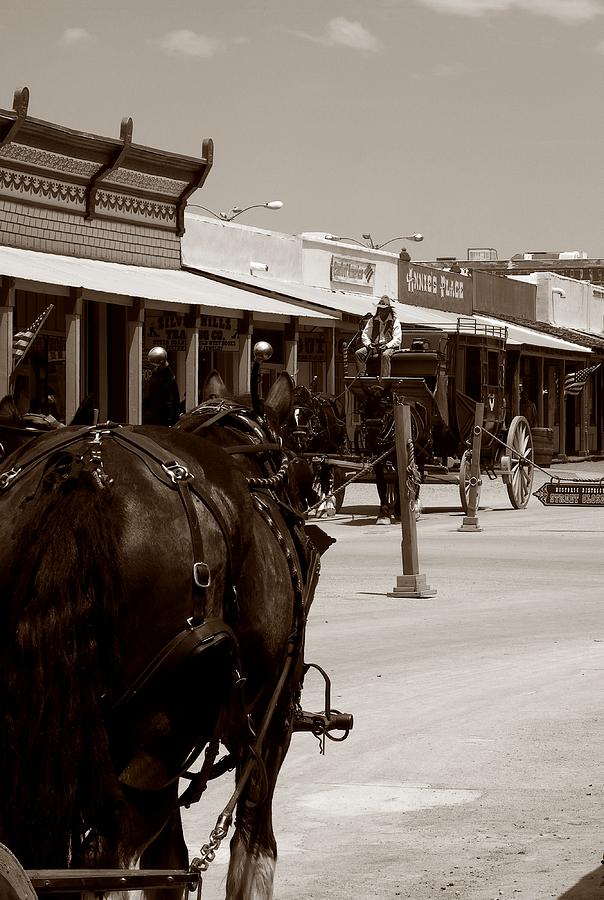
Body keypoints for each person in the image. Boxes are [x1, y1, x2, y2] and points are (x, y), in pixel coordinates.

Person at [355, 295, 402, 378]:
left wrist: (387, 346)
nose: (381, 311)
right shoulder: (372, 320)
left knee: (385, 355)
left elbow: (397, 339)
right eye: (380, 309)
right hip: (375, 346)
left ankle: (384, 379)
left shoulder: (395, 321)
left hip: (389, 347)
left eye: (383, 309)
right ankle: (361, 378)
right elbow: (365, 335)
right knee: (359, 353)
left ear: (388, 310)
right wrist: (369, 344)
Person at [145, 346, 181, 426]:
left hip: (164, 416)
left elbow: (172, 400)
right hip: (155, 413)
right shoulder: (157, 373)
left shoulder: (168, 376)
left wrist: (171, 418)